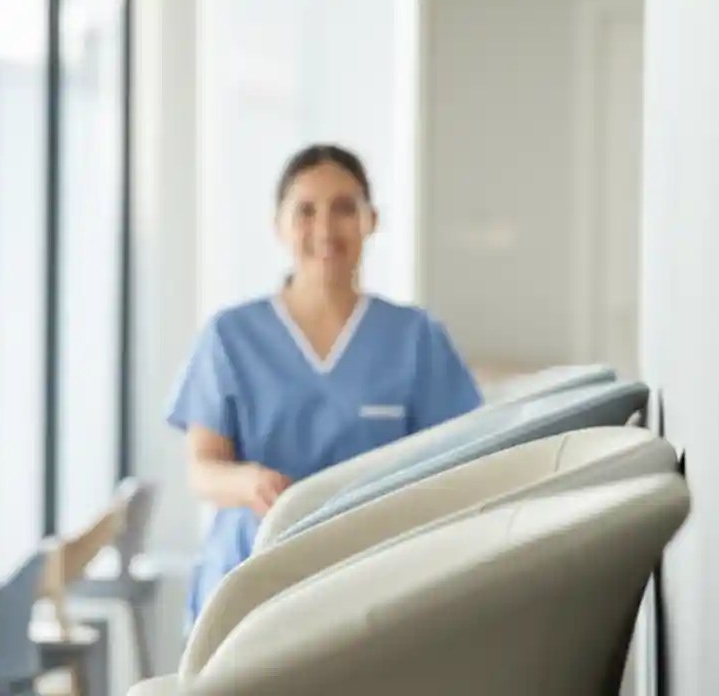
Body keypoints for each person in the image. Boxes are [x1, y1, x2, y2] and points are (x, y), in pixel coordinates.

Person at [165, 144, 483, 631]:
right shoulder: (230, 337)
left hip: (373, 573)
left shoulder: (415, 339)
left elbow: (459, 463)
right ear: (279, 225)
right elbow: (203, 470)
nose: (325, 229)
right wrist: (250, 482)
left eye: (344, 208)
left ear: (371, 220)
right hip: (251, 570)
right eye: (306, 210)